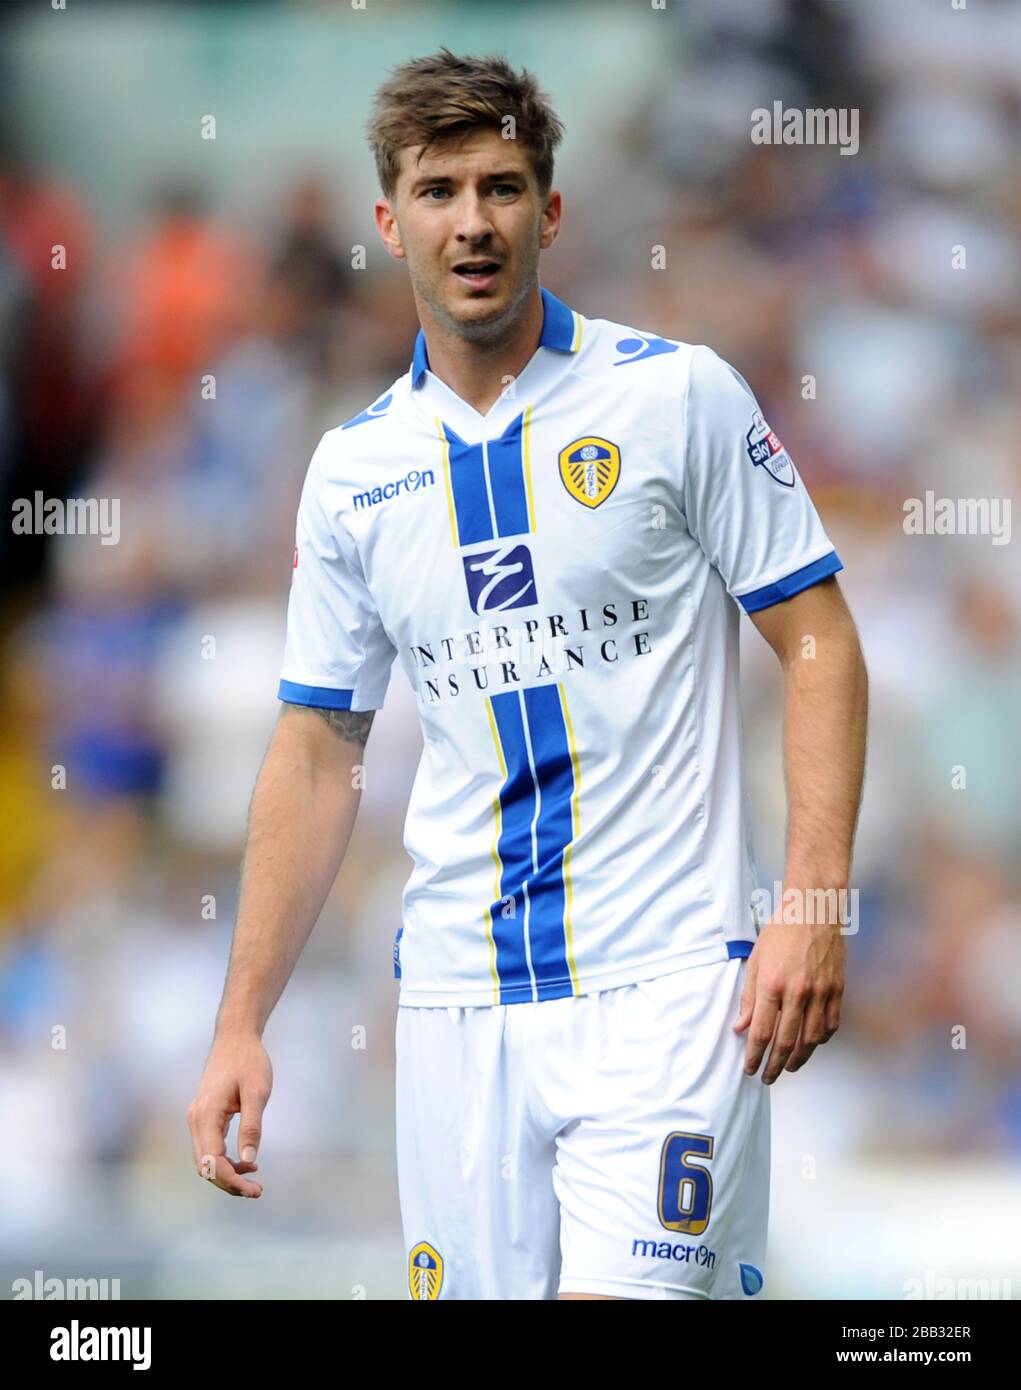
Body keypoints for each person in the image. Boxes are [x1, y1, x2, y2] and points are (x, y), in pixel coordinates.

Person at [187, 47, 868, 1301]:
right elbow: (319, 747)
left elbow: (817, 637)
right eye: (438, 192)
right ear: (389, 223)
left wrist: (813, 898)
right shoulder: (354, 471)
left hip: (671, 983)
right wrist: (242, 1021)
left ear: (550, 211)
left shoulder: (676, 400)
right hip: (455, 1003)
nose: (473, 223)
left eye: (501, 187)